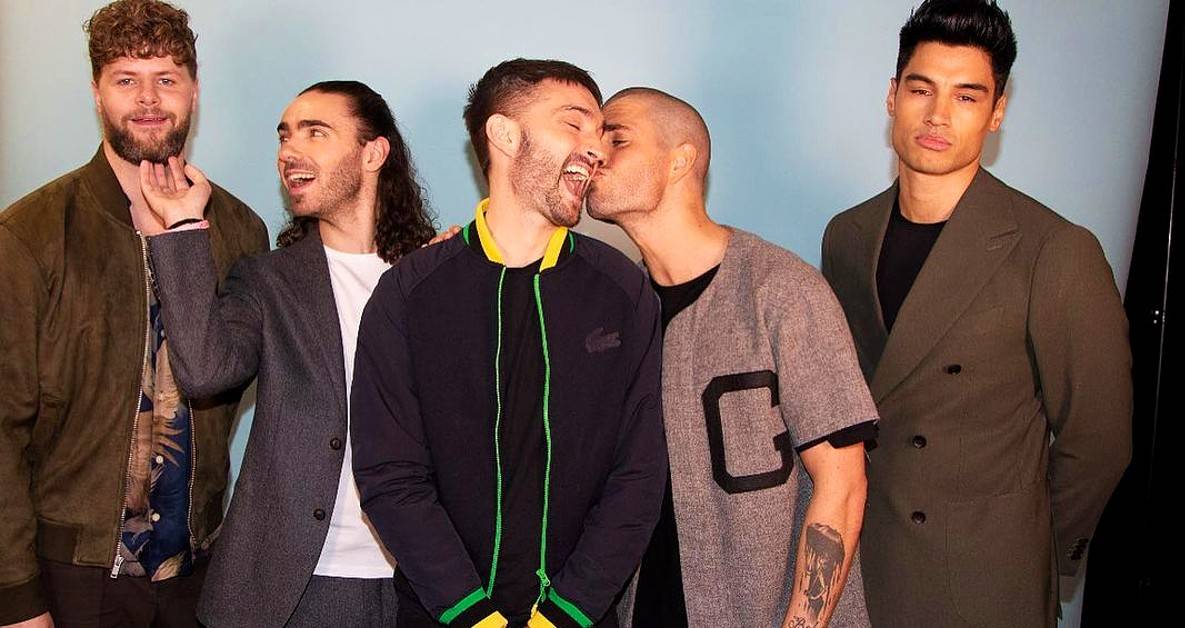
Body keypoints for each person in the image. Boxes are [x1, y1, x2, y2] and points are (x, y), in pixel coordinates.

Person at [821, 1, 1133, 625]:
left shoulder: (1053, 249)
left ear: (997, 113)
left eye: (966, 96)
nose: (938, 115)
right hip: (865, 567)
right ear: (892, 97)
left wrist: (1033, 554)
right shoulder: (847, 236)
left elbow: (1098, 442)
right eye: (921, 89)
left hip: (985, 583)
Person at [350, 58, 667, 628]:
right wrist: (473, 615)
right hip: (445, 617)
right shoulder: (409, 294)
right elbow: (391, 476)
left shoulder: (623, 291)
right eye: (574, 123)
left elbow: (637, 476)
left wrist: (564, 614)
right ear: (504, 134)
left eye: (600, 132)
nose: (595, 149)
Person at [0, 1, 268, 626]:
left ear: (194, 91)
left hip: (197, 575)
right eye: (127, 79)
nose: (149, 99)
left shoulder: (240, 231)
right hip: (70, 574)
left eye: (166, 78)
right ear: (97, 92)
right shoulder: (30, 234)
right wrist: (16, 598)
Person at [138, 80, 436, 627]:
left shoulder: (435, 275)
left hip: (421, 581)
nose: (289, 151)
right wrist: (181, 225)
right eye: (284, 136)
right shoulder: (268, 281)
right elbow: (203, 372)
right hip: (296, 584)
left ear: (373, 153)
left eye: (315, 133)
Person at [587, 87, 876, 628]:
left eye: (616, 139)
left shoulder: (782, 291)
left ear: (680, 160)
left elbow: (843, 483)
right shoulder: (618, 313)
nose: (594, 152)